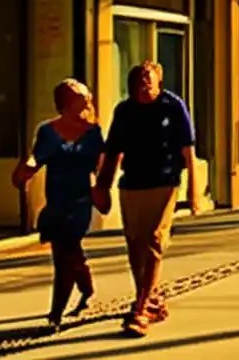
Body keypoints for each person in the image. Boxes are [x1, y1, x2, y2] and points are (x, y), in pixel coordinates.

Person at [94, 61, 201, 338]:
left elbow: (188, 152)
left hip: (164, 183)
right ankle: (150, 298)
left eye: (147, 81)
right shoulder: (124, 111)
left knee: (154, 239)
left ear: (159, 83)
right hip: (132, 184)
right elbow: (114, 151)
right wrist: (102, 188)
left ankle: (140, 308)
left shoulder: (173, 106)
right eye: (137, 82)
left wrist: (194, 192)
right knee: (135, 244)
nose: (142, 86)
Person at [10, 79, 105, 330]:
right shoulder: (48, 131)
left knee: (66, 254)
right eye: (79, 95)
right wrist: (26, 170)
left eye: (86, 95)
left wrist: (101, 189)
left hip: (80, 203)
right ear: (65, 102)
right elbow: (36, 157)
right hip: (56, 203)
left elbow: (102, 167)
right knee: (68, 254)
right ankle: (87, 289)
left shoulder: (93, 133)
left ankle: (55, 313)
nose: (86, 99)